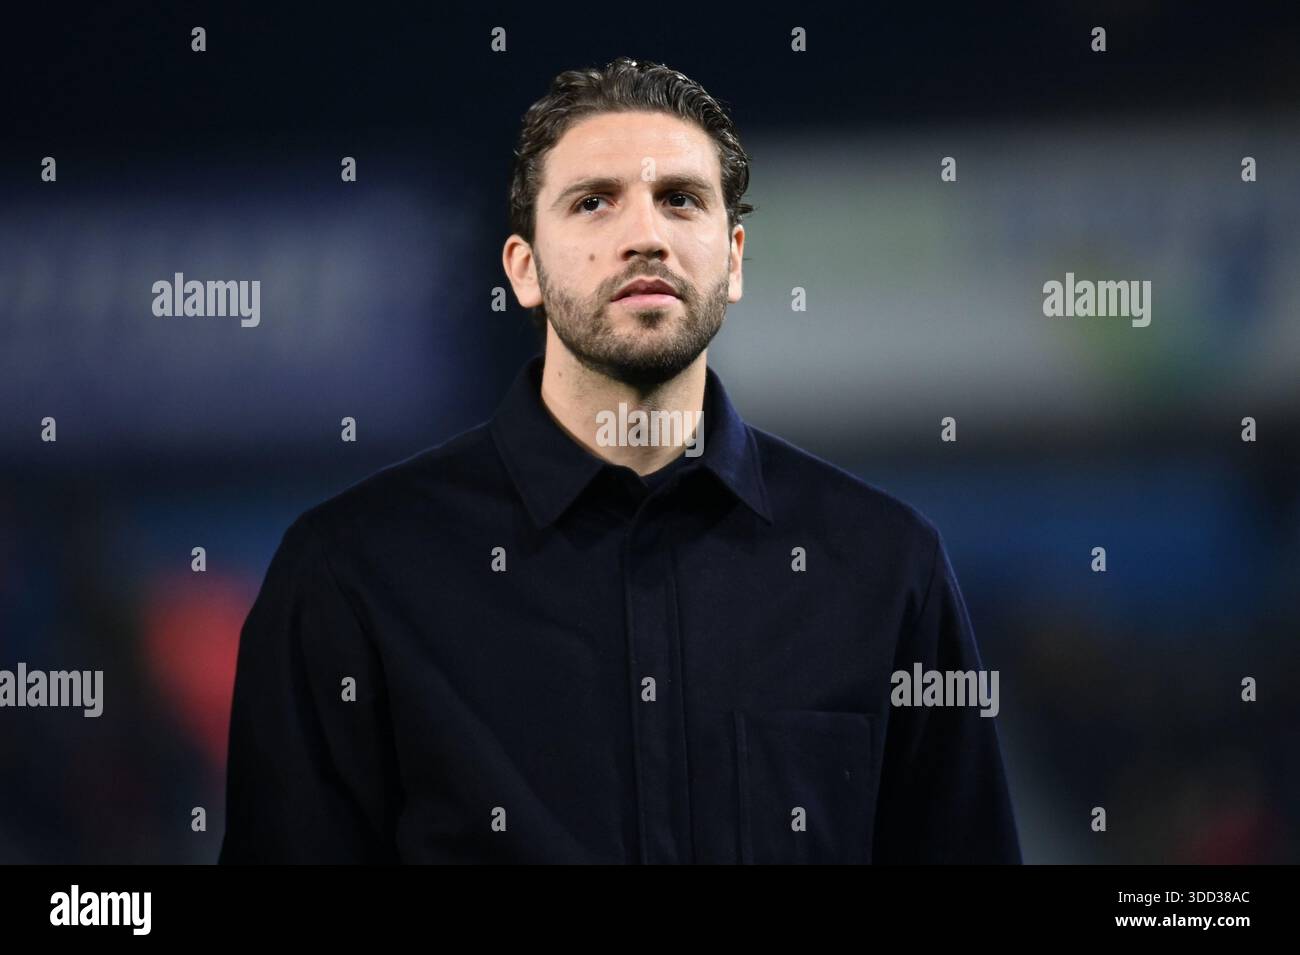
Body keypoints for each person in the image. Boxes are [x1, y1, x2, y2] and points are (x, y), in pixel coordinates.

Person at [219, 56, 1021, 864]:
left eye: (680, 200)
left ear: (734, 258)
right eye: (594, 202)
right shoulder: (351, 571)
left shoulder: (884, 566)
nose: (645, 235)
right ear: (523, 270)